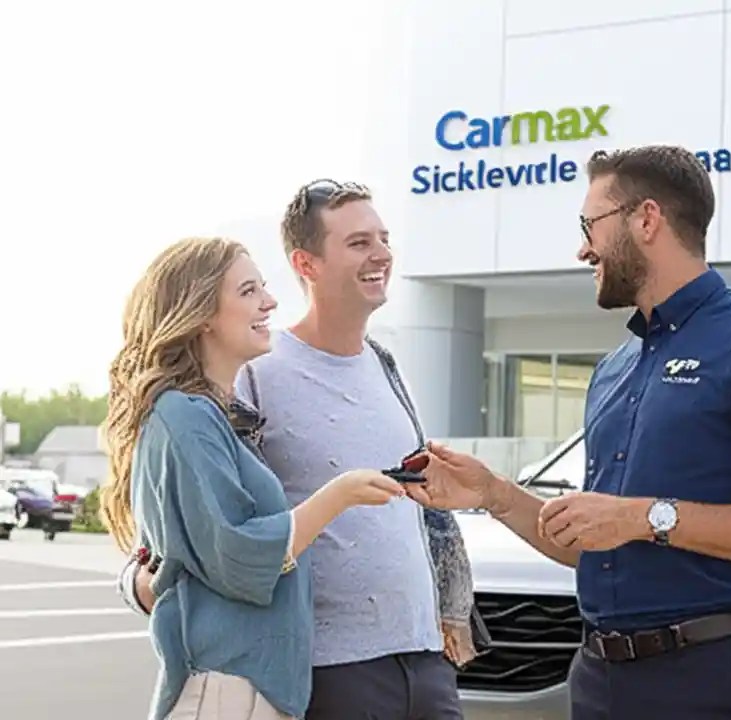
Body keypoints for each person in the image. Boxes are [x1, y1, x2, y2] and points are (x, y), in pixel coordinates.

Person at [412, 145, 731, 719]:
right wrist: (492, 493)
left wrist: (643, 517)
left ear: (646, 219)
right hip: (597, 682)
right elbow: (599, 548)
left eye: (590, 224)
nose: (582, 247)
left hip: (716, 681)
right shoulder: (613, 370)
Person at [115, 180, 477, 719]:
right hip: (327, 667)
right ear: (306, 264)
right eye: (358, 242)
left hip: (423, 660)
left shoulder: (385, 364)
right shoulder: (254, 370)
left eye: (383, 237)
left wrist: (453, 611)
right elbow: (192, 513)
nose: (381, 253)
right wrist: (143, 582)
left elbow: (425, 509)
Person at [99, 236, 408, 720]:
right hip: (228, 696)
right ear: (201, 313)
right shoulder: (185, 417)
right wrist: (339, 495)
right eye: (248, 291)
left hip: (251, 692)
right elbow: (237, 556)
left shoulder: (213, 417)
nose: (270, 301)